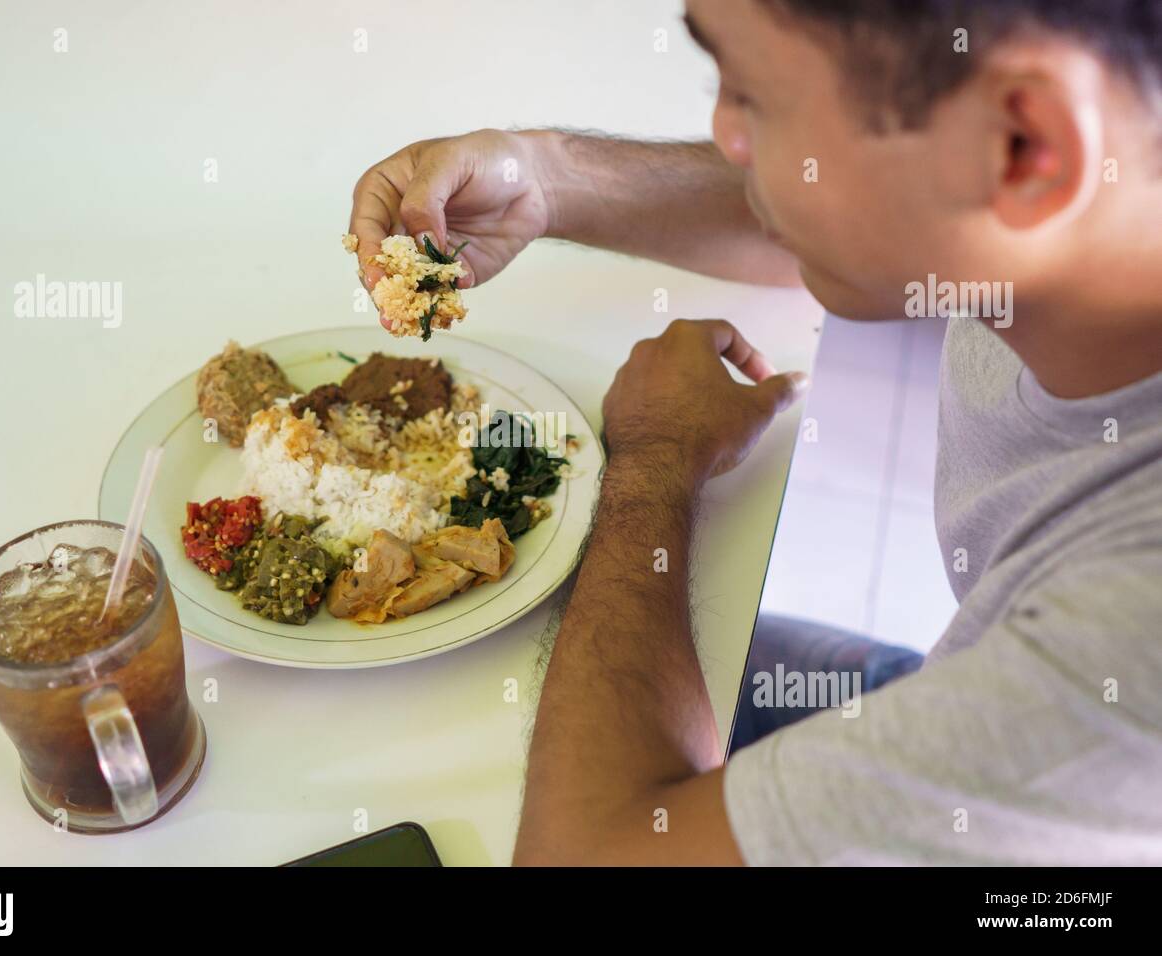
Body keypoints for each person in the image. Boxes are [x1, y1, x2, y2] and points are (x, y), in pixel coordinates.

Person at [347, 0, 1162, 865]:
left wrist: (658, 458)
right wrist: (546, 179)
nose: (724, 135)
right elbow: (861, 208)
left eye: (754, 100)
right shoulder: (1110, 161)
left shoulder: (1122, 650)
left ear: (1025, 146)